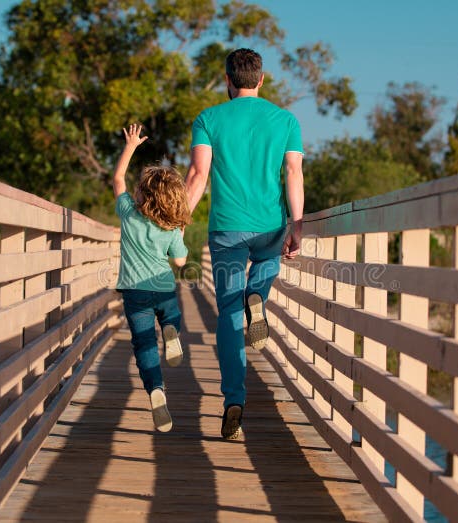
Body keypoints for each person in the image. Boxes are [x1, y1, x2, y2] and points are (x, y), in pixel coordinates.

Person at [185, 48, 304, 440]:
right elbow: (293, 172)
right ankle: (259, 296)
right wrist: (297, 225)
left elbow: (198, 176)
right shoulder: (285, 120)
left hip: (226, 230)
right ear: (261, 79)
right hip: (270, 227)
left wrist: (177, 222)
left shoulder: (208, 119)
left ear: (227, 80)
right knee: (266, 266)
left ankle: (233, 398)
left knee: (228, 315)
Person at [113, 123, 191, 433]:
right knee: (171, 317)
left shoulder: (129, 214)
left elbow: (118, 178)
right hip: (163, 288)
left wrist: (130, 146)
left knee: (144, 344)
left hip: (135, 293)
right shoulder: (170, 229)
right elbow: (181, 261)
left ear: (142, 194)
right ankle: (171, 330)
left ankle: (156, 389)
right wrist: (179, 234)